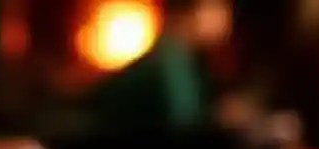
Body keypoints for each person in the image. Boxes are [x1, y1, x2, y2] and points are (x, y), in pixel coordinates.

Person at [80, 0, 231, 132]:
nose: (225, 18)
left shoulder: (182, 58)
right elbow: (185, 129)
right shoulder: (170, 63)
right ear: (188, 13)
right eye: (216, 8)